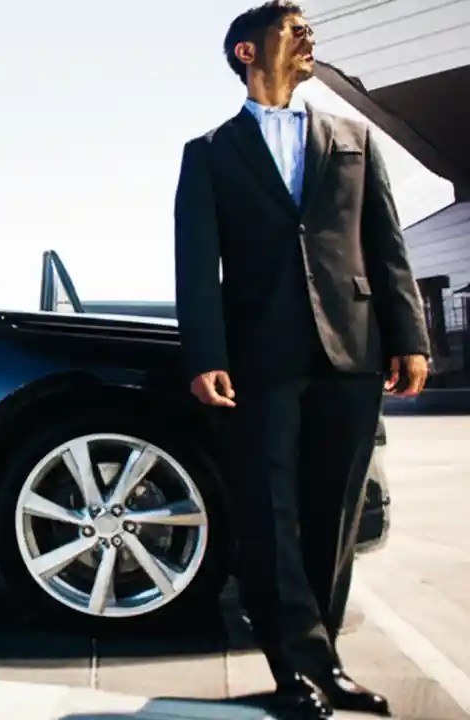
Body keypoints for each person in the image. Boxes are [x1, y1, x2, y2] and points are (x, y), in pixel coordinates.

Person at [173, 1, 430, 717]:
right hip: (260, 355)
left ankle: (326, 663)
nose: (308, 35)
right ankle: (294, 669)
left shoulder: (354, 136)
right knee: (270, 513)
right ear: (246, 53)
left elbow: (387, 243)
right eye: (292, 28)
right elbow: (196, 266)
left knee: (334, 511)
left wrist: (409, 337)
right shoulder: (210, 152)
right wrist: (206, 353)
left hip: (352, 348)